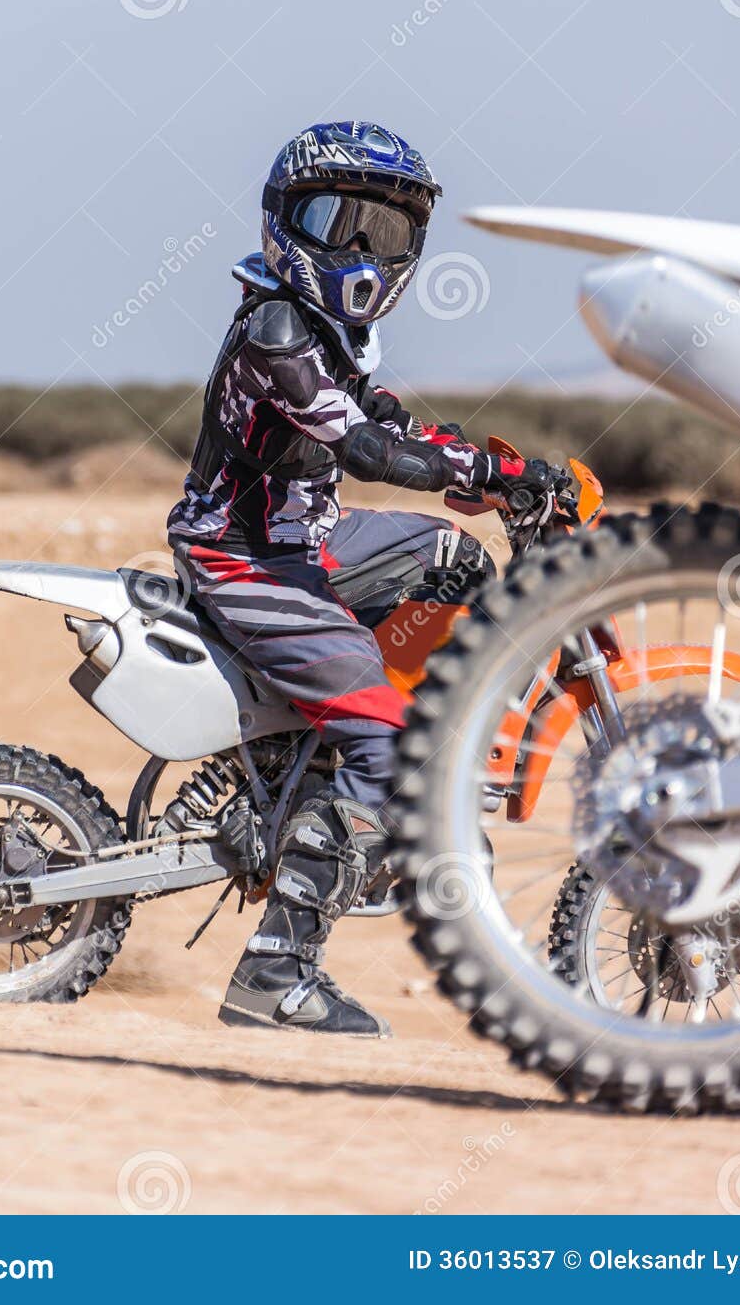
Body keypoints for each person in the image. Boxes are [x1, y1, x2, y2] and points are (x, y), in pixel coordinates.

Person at [167, 121, 560, 1037]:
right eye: (334, 222)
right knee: (393, 749)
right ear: (283, 223)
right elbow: (367, 443)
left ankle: (318, 767)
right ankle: (275, 971)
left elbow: (390, 418)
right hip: (246, 554)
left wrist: (507, 474)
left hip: (311, 538)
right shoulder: (275, 329)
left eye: (379, 234)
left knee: (455, 563)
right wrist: (483, 477)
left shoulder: (330, 335)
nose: (355, 249)